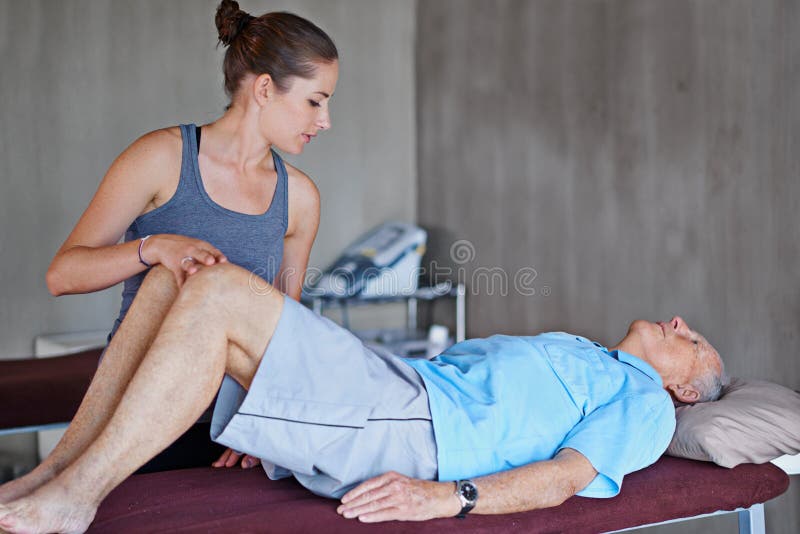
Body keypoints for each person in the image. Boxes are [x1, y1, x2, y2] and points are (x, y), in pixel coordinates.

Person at [0, 262, 725, 532]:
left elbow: (567, 477)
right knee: (172, 281)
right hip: (392, 392)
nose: (681, 324)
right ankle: (50, 477)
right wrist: (277, 420)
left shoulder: (648, 407)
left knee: (215, 288)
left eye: (693, 342)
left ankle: (77, 496)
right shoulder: (584, 352)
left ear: (685, 387)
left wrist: (448, 499)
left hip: (416, 430)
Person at [42, 0, 338, 472]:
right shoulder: (160, 158)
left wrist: (268, 425)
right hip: (139, 414)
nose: (324, 121)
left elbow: (286, 330)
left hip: (231, 431)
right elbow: (63, 274)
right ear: (264, 88)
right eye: (315, 101)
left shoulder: (300, 198)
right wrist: (153, 249)